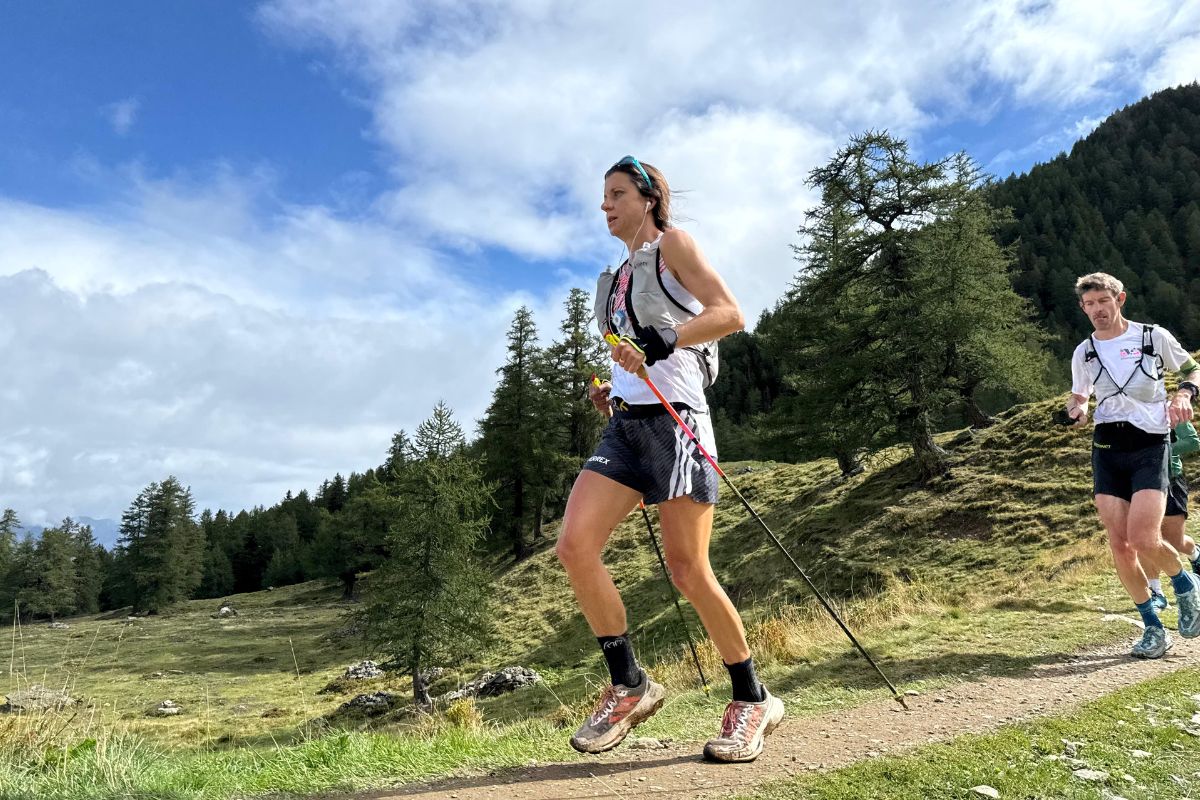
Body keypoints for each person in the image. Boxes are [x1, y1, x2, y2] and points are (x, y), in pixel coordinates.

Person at [555, 155, 784, 763]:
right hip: (626, 427)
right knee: (575, 546)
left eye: (616, 194)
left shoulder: (673, 244)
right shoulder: (619, 275)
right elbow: (629, 351)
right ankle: (630, 684)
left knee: (688, 571)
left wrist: (658, 343)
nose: (605, 205)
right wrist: (612, 387)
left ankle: (752, 697)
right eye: (602, 196)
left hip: (679, 423)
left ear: (649, 198)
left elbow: (730, 314)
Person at [1067, 272, 1200, 657]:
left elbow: (1191, 368)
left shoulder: (1151, 336)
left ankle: (1185, 586)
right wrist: (1076, 408)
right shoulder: (1085, 351)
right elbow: (1080, 393)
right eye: (1089, 305)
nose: (1096, 310)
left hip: (1150, 443)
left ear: (1119, 299)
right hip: (1108, 446)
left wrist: (1183, 395)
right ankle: (1153, 629)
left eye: (1102, 302)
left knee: (1144, 538)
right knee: (1120, 543)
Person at [1139, 420, 1200, 610]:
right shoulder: (1127, 411)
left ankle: (1195, 554)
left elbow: (1192, 441)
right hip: (1141, 481)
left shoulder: (1171, 410)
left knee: (1174, 541)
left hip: (1172, 480)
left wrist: (1161, 448)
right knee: (1145, 539)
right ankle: (1156, 592)